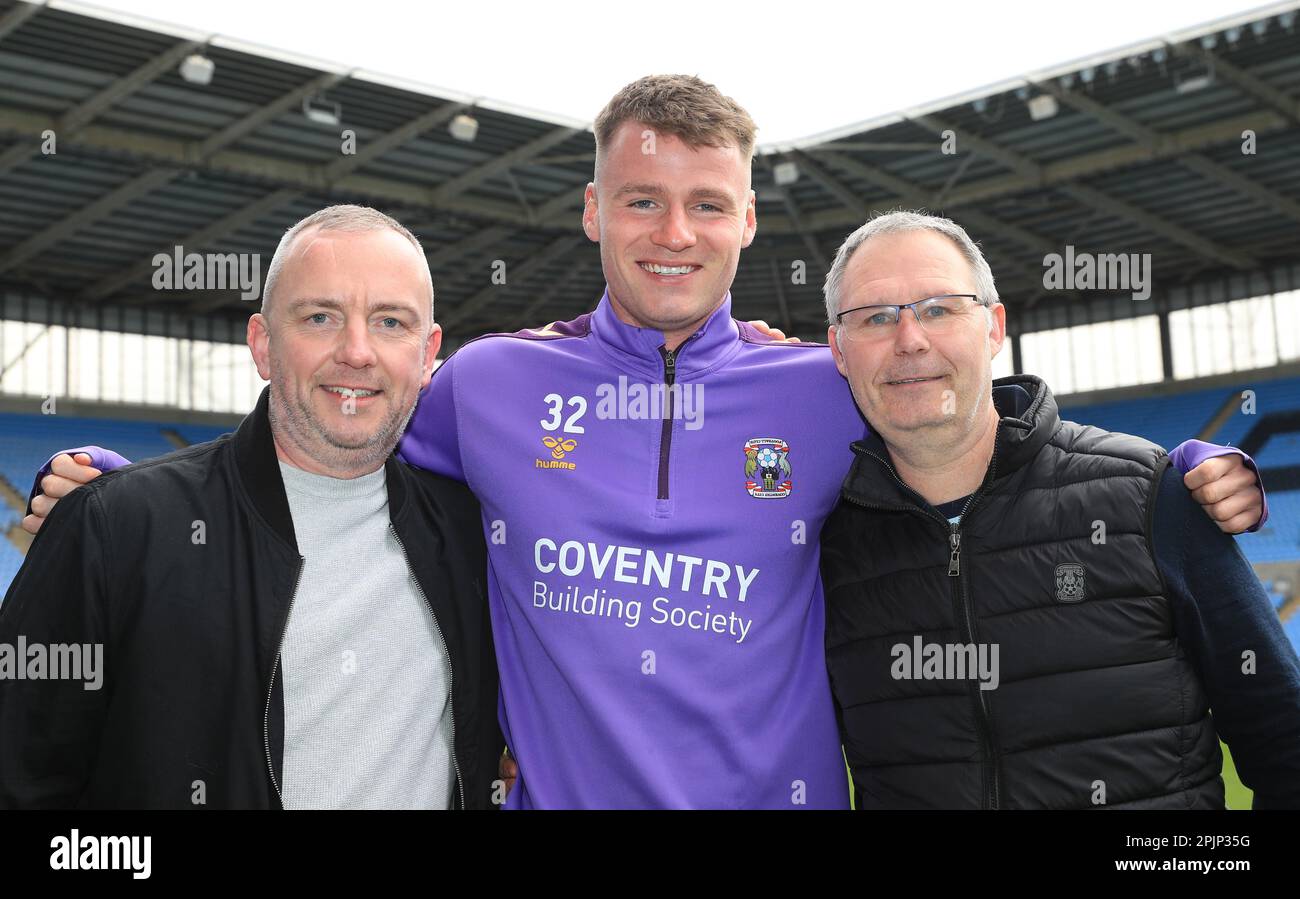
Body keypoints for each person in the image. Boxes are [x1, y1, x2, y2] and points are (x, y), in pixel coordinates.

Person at [17, 76, 1266, 809]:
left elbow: (975, 442)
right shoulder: (489, 384)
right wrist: (116, 494)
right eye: (642, 199)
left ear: (745, 219)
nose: (673, 231)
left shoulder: (822, 383)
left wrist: (1178, 479)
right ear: (593, 210)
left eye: (706, 203)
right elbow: (327, 452)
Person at [0, 206, 500, 809]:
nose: (358, 352)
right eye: (321, 317)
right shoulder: (115, 527)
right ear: (262, 345)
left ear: (427, 356)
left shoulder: (478, 536)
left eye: (391, 322)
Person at [819, 210, 1300, 809]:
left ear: (993, 327)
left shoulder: (1150, 494)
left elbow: (1284, 743)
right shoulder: (822, 548)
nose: (910, 339)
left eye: (940, 308)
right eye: (875, 317)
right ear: (839, 350)